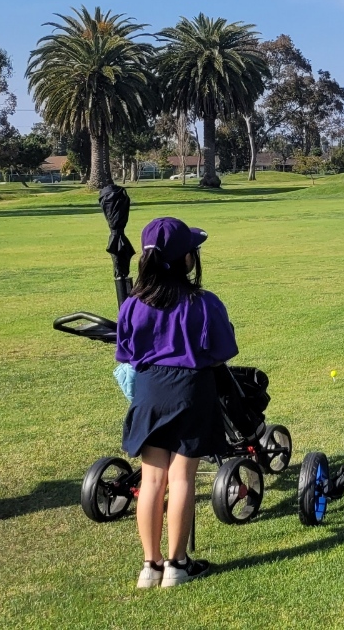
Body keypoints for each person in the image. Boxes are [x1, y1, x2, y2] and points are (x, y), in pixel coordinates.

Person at [116, 217, 236, 589]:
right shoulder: (203, 303)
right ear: (186, 258)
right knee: (181, 477)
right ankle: (177, 564)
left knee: (153, 479)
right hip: (191, 390)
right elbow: (221, 353)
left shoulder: (133, 304)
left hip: (150, 392)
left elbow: (127, 353)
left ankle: (149, 567)